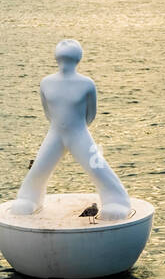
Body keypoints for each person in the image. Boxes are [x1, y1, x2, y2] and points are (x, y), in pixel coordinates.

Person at [7, 39, 132, 222]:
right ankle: (29, 198)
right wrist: (63, 127)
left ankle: (116, 200)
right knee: (40, 167)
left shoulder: (86, 84)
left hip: (78, 133)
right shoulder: (46, 83)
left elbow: (90, 114)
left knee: (97, 167)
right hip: (56, 133)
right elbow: (48, 112)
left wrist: (77, 130)